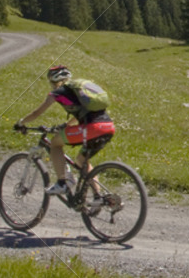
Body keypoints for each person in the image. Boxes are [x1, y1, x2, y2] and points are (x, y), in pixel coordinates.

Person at [14, 65, 115, 199]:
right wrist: (66, 125)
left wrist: (21, 123)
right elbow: (82, 112)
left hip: (92, 128)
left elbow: (36, 113)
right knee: (81, 160)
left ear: (52, 80)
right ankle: (99, 197)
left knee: (55, 143)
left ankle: (62, 182)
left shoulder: (58, 92)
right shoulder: (78, 92)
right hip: (108, 127)